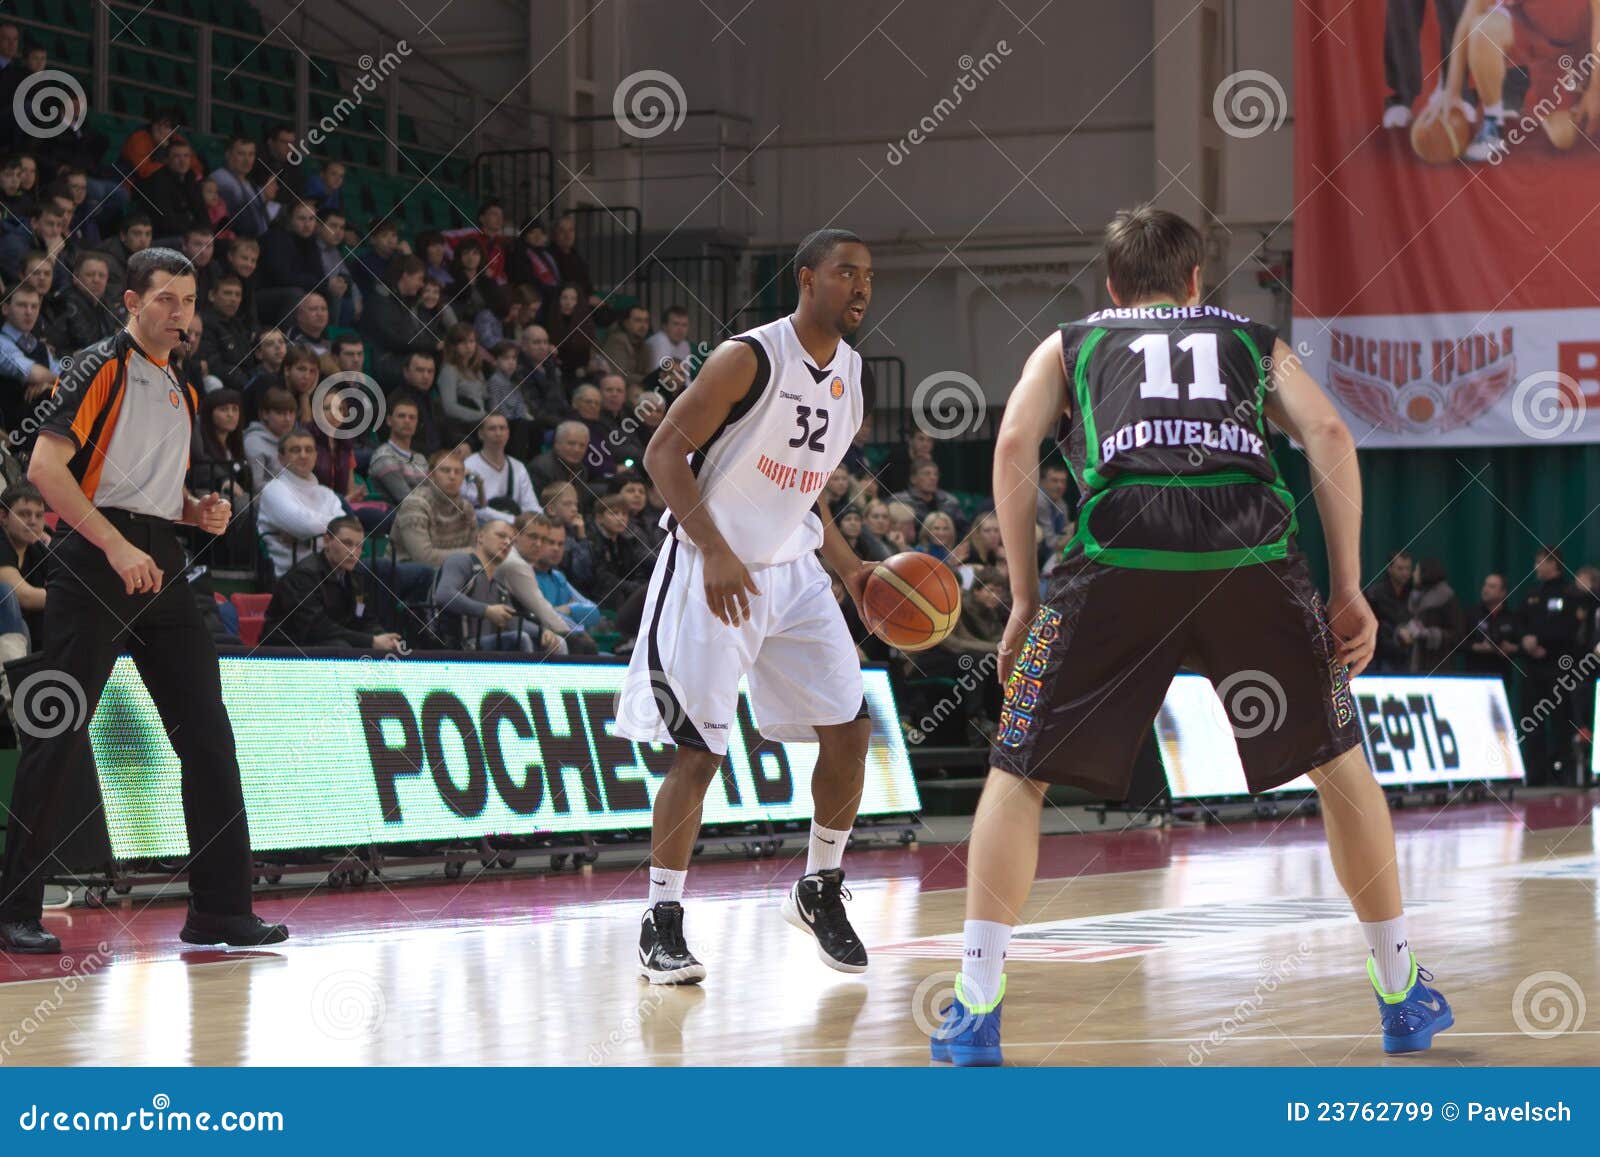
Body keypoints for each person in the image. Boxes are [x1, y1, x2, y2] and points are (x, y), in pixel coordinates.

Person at [930, 206, 1451, 1065]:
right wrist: (1349, 586)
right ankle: (1399, 991)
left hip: (1116, 553)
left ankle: (976, 1006)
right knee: (1339, 764)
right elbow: (1326, 431)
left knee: (1017, 773)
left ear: (1111, 285)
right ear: (1197, 281)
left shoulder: (1069, 343)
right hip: (1248, 551)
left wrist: (1023, 597)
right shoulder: (1250, 337)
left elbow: (1016, 441)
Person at [0, 246, 287, 954]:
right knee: (59, 735)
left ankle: (219, 909)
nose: (179, 312)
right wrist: (115, 545)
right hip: (93, 560)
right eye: (165, 298)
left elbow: (153, 489)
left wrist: (196, 513)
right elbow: (44, 468)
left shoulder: (180, 387)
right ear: (130, 301)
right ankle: (13, 909)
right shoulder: (98, 365)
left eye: (188, 300)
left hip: (161, 559)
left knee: (209, 738)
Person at [617, 227, 875, 985]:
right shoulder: (748, 356)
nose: (860, 287)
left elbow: (805, 485)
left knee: (851, 730)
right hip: (710, 565)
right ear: (806, 278)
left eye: (868, 276)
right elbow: (663, 451)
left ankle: (819, 886)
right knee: (698, 751)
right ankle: (660, 921)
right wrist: (718, 548)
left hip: (793, 570)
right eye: (845, 272)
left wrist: (851, 567)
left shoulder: (853, 376)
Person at [260, 515, 405, 651]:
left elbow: (363, 617)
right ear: (327, 541)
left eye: (359, 546)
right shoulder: (304, 576)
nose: (353, 552)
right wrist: (370, 641)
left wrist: (382, 637)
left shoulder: (355, 576)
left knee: (389, 647)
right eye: (347, 543)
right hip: (285, 648)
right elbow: (317, 628)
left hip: (327, 641)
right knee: (341, 648)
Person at [430, 520, 560, 653]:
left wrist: (542, 631)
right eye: (501, 535)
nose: (507, 542)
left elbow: (513, 621)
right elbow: (444, 595)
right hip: (455, 646)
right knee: (520, 639)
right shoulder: (461, 561)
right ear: (480, 537)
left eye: (511, 540)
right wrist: (486, 610)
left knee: (556, 642)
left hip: (484, 647)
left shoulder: (499, 586)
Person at [1517, 544, 1586, 786]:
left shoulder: (1569, 594)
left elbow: (1569, 629)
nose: (1536, 566)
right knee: (1531, 721)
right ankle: (1535, 774)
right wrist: (1526, 641)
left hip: (1559, 667)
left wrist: (1542, 640)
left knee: (1560, 722)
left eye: (1540, 561)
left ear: (1553, 564)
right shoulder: (1531, 594)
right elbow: (1520, 623)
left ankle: (1562, 772)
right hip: (1533, 668)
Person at [256, 428, 345, 576]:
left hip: (330, 572)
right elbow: (306, 525)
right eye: (295, 450)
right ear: (281, 458)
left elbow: (346, 528)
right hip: (291, 577)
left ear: (316, 456)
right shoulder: (273, 490)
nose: (303, 455)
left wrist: (308, 540)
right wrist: (327, 532)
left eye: (309, 450)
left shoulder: (326, 493)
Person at [392, 449, 477, 566]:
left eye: (458, 472)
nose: (452, 476)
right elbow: (423, 557)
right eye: (445, 470)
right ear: (431, 475)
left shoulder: (467, 508)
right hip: (407, 572)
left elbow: (477, 550)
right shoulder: (414, 504)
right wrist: (473, 554)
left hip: (452, 571)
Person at [463, 412, 540, 523]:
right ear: (480, 434)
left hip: (516, 527)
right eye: (492, 429)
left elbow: (531, 504)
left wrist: (538, 519)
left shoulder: (518, 466)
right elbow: (475, 508)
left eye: (502, 428)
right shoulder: (468, 465)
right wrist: (514, 520)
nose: (498, 433)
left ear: (508, 433)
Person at [0, 480, 50, 645]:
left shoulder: (38, 549)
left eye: (39, 515)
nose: (33, 521)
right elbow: (24, 596)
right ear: (3, 516)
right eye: (24, 514)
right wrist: (71, 597)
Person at [1399, 556, 1461, 673]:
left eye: (1417, 570)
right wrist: (1403, 633)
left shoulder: (1447, 598)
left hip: (1438, 665)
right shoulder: (1413, 595)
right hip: (1412, 663)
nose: (1414, 574)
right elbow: (1405, 622)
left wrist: (1426, 634)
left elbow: (1457, 634)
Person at [368, 396, 429, 505]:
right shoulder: (383, 457)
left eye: (412, 417)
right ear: (389, 421)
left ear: (417, 423)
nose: (407, 421)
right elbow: (407, 500)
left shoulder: (420, 458)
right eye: (401, 416)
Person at [1464, 571, 1520, 689]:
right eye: (1485, 585)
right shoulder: (1471, 614)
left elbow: (1520, 645)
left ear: (1503, 592)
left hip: (1501, 679)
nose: (1486, 589)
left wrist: (1511, 648)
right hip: (1475, 678)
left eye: (1492, 586)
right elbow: (1458, 643)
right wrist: (1478, 647)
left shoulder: (1512, 618)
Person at [1365, 551, 1414, 673]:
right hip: (1379, 659)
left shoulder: (1414, 592)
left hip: (1407, 657)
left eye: (1407, 568)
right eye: (1400, 568)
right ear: (1389, 569)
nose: (1405, 573)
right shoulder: (1375, 593)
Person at [242, 386, 297, 493]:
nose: (288, 419)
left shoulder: (293, 440)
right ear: (265, 414)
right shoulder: (253, 442)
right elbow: (256, 486)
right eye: (281, 413)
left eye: (291, 412)